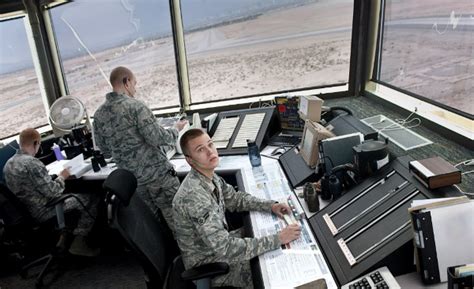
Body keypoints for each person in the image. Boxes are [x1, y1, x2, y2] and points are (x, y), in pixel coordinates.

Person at [173, 128, 302, 288]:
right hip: (210, 264)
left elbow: (235, 199)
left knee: (269, 240)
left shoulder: (207, 175)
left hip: (215, 246)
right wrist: (278, 239)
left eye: (210, 145)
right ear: (190, 160)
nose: (209, 152)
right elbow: (224, 248)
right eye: (200, 150)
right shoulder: (193, 197)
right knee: (279, 274)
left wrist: (271, 206)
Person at [93, 66, 187, 232]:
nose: (135, 89)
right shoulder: (136, 106)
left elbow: (105, 151)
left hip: (134, 182)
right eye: (134, 84)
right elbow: (159, 138)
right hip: (158, 177)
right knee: (178, 219)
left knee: (152, 226)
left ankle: (164, 256)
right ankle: (191, 254)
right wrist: (176, 129)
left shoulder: (99, 115)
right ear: (127, 82)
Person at [3, 128, 99, 257]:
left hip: (28, 213)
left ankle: (63, 239)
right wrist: (62, 176)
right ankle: (79, 242)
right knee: (90, 198)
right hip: (45, 210)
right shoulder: (32, 163)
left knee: (74, 195)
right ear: (36, 143)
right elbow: (53, 193)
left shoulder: (8, 164)